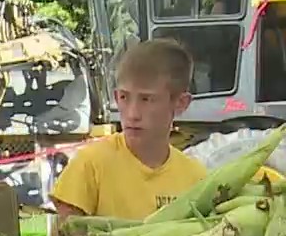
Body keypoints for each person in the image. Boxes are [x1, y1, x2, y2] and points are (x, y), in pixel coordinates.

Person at [52, 38, 208, 222]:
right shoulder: (90, 165)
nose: (133, 114)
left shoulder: (196, 180)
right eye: (124, 97)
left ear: (181, 103)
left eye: (146, 99)